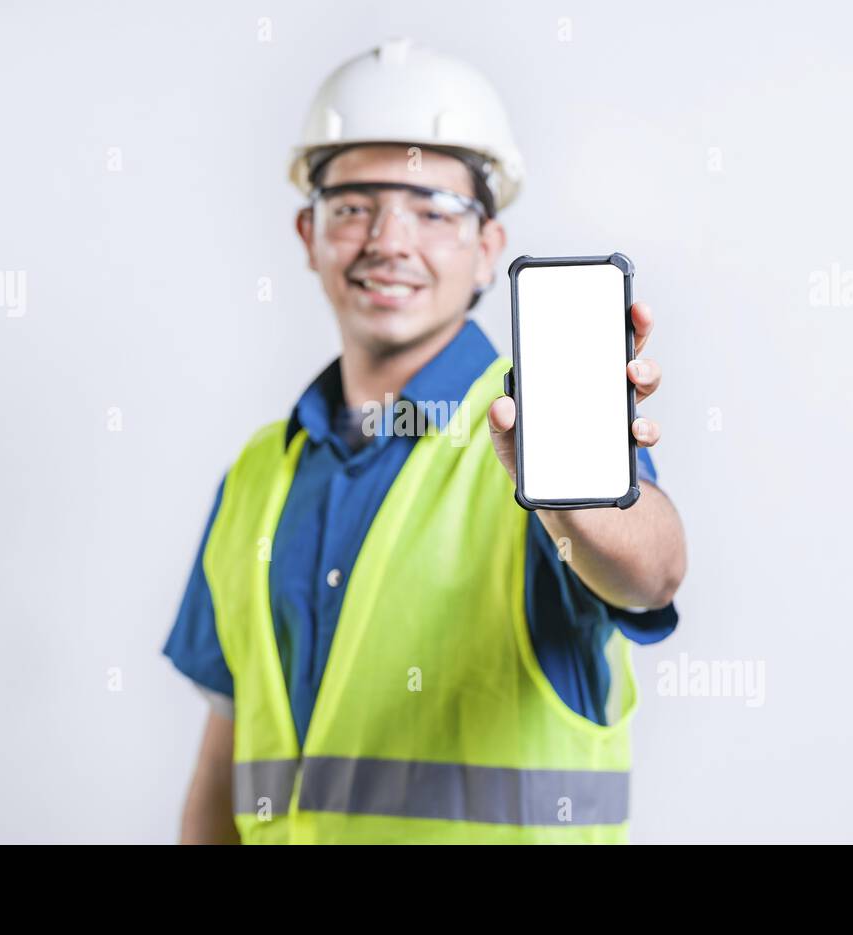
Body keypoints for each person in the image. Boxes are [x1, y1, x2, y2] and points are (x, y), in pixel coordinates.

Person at [164, 38, 687, 844]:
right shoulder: (256, 475)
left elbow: (651, 575)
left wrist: (585, 502)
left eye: (433, 210)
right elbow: (224, 765)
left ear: (487, 249)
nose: (389, 240)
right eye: (353, 206)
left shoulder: (536, 434)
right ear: (308, 233)